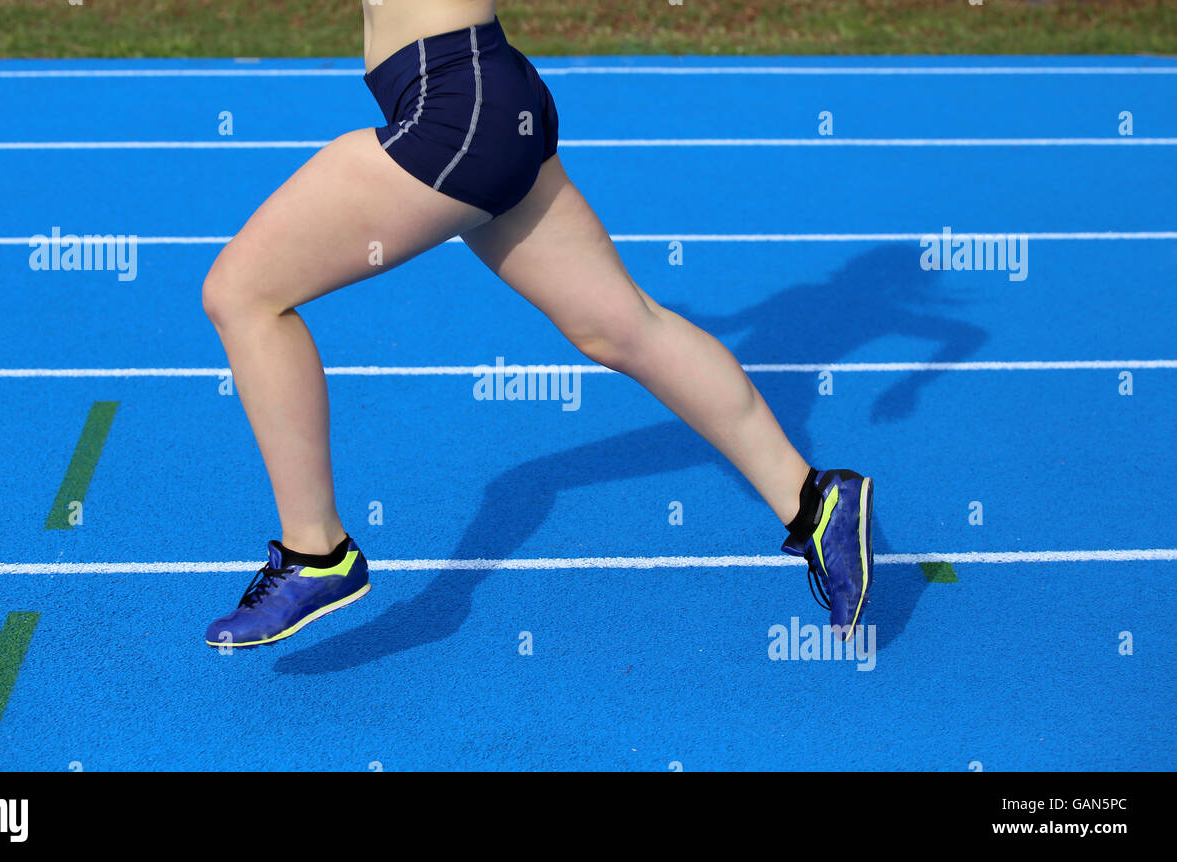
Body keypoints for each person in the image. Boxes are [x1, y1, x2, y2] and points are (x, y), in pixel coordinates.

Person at [203, 0, 872, 649]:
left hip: (454, 108)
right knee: (620, 326)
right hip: (484, 94)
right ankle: (816, 505)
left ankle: (315, 552)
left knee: (242, 294)